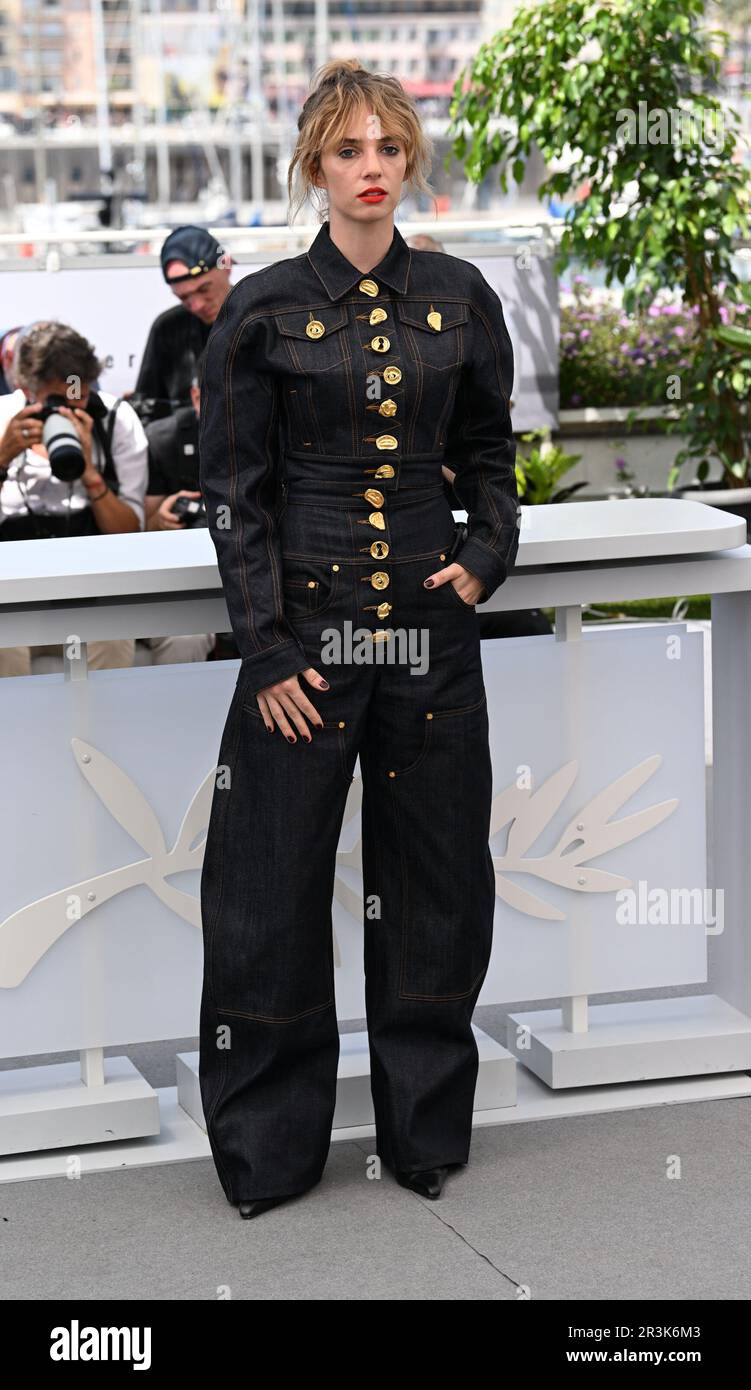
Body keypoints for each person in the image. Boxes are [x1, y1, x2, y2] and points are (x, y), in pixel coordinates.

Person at [198, 59, 522, 1220]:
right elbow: (232, 492)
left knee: (436, 889)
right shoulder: (264, 306)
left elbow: (490, 455)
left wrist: (485, 557)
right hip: (309, 649)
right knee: (265, 898)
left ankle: (424, 1135)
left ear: (408, 161)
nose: (371, 170)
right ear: (314, 166)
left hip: (432, 643)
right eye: (348, 152)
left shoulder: (461, 294)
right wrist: (268, 651)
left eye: (388, 148)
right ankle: (268, 1155)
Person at [0, 320, 148, 676]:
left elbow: (131, 534)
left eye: (79, 392)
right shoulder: (4, 417)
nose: (71, 406)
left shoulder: (113, 420)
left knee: (112, 637)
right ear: (25, 388)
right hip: (14, 589)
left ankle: (105, 731)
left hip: (94, 586)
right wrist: (3, 458)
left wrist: (91, 476)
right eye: (58, 397)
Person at [141, 349, 216, 664]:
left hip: (260, 568)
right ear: (196, 396)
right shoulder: (162, 439)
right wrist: (162, 519)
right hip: (184, 574)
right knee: (187, 635)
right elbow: (143, 526)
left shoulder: (280, 429)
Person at [130, 226, 234, 428]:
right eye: (184, 297)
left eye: (204, 289)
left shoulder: (259, 318)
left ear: (226, 265)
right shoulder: (167, 328)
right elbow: (146, 408)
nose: (197, 305)